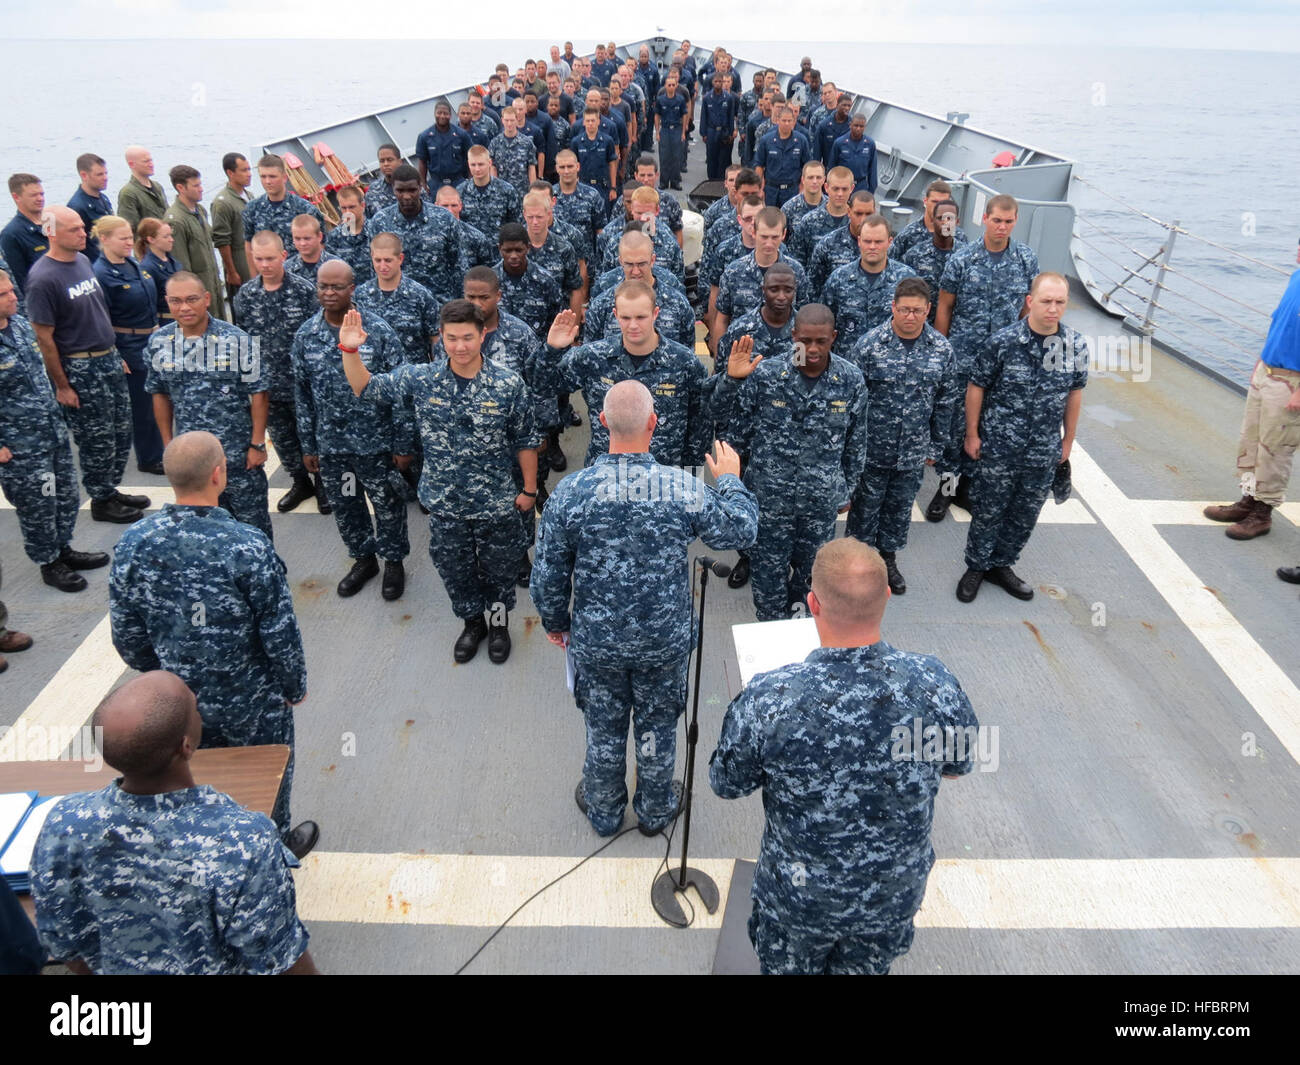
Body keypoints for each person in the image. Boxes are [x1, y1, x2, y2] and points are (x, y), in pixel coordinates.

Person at [710, 537, 977, 975]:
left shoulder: (772, 697)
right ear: (887, 595)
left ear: (812, 603)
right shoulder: (936, 684)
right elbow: (958, 764)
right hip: (888, 898)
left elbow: (726, 782)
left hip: (799, 901)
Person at [532, 380, 759, 836]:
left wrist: (558, 623)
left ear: (601, 422)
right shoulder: (680, 487)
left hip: (599, 642)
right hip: (664, 640)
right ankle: (656, 811)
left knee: (603, 726)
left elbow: (549, 573)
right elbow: (741, 531)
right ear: (655, 422)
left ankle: (604, 808)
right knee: (657, 725)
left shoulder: (572, 492)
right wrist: (731, 480)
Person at [108, 432, 317, 855]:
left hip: (176, 704)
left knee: (189, 777)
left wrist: (165, 675)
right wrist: (293, 686)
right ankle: (270, 849)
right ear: (219, 475)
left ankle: (203, 848)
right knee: (265, 777)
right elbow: (278, 632)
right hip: (251, 700)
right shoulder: (247, 546)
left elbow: (127, 634)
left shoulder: (134, 544)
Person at [30, 670, 317, 975]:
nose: (198, 704)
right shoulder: (243, 841)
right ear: (186, 746)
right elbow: (280, 957)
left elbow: (60, 940)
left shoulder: (64, 823)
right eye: (194, 706)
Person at [339, 299, 537, 663]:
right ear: (440, 339)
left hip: (495, 502)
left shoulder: (508, 384)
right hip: (445, 503)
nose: (459, 346)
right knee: (454, 569)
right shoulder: (422, 379)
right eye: (451, 338)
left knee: (499, 571)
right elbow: (366, 388)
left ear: (482, 336)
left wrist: (529, 489)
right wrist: (350, 349)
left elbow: (525, 440)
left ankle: (497, 625)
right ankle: (472, 623)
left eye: (467, 337)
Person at [713, 304, 867, 621]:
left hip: (819, 505)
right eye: (805, 340)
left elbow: (856, 443)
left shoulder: (850, 380)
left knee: (810, 585)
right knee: (768, 588)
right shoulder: (767, 376)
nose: (812, 349)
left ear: (833, 338)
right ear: (793, 335)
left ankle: (799, 645)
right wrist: (735, 491)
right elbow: (735, 435)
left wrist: (845, 490)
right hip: (769, 504)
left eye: (821, 341)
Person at [958, 272, 1087, 603]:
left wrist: (1068, 440)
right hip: (1000, 445)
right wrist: (972, 434)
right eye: (1046, 301)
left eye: (1059, 302)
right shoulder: (1003, 342)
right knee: (988, 508)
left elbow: (1075, 393)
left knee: (1024, 513)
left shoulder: (1075, 346)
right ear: (1030, 301)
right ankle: (976, 566)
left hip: (1042, 449)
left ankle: (1002, 564)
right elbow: (977, 387)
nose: (1053, 309)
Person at [293, 259, 413, 600]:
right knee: (347, 504)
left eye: (336, 287)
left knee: (387, 504)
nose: (329, 293)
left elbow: (401, 390)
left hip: (377, 444)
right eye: (323, 287)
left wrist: (403, 443)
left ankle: (392, 561)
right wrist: (308, 445)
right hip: (334, 447)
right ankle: (363, 559)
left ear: (352, 289)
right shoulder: (306, 336)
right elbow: (302, 394)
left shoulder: (377, 331)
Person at [24, 205, 145, 524]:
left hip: (106, 357)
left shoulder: (80, 261)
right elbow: (44, 338)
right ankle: (101, 499)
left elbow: (98, 311)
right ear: (51, 233)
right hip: (80, 368)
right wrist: (62, 386)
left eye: (81, 227)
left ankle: (109, 488)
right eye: (74, 230)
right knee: (96, 438)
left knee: (120, 430)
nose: (82, 233)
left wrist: (114, 353)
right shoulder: (42, 279)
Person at [929, 193, 1039, 523]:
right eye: (996, 220)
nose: (1002, 227)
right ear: (985, 219)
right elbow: (945, 307)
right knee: (956, 426)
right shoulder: (962, 260)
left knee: (990, 425)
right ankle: (947, 489)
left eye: (1008, 221)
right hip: (964, 354)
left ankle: (970, 487)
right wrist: (942, 350)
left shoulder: (1025, 259)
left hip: (1004, 359)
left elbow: (1026, 306)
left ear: (1015, 222)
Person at [0, 269, 109, 593]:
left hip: (51, 431)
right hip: (20, 445)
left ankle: (63, 548)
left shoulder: (19, 326)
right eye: (4, 294)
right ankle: (49, 562)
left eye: (10, 289)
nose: (13, 297)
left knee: (65, 495)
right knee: (38, 506)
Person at [846, 278, 957, 594]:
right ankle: (857, 566)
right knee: (864, 511)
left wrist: (936, 445)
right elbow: (853, 402)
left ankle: (887, 561)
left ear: (928, 311)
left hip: (912, 452)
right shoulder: (869, 346)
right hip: (871, 451)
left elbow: (946, 402)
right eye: (905, 310)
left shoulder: (941, 350)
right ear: (893, 307)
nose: (910, 316)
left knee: (897, 511)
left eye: (917, 311)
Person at [145, 271, 272, 539]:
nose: (185, 307)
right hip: (193, 459)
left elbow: (259, 392)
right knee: (205, 531)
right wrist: (169, 445)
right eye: (176, 301)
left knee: (252, 527)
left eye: (191, 299)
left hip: (237, 455)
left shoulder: (237, 339)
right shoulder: (160, 343)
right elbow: (159, 394)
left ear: (206, 299)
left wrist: (257, 443)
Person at [542, 282, 710, 468]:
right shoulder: (594, 356)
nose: (633, 325)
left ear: (655, 314)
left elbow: (700, 422)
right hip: (606, 474)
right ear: (615, 315)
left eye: (641, 317)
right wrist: (551, 350)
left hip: (663, 477)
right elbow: (545, 386)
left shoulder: (684, 362)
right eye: (625, 317)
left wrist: (691, 475)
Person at [1206, 241, 1300, 547]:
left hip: (1291, 381)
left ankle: (1262, 513)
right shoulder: (1296, 277)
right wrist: (1261, 361)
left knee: (1276, 449)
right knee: (1252, 438)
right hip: (1268, 372)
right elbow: (1278, 323)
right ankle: (1248, 498)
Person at [233, 230, 326, 515]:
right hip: (268, 384)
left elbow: (318, 335)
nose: (265, 265)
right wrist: (248, 382)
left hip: (302, 381)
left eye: (270, 258)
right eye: (259, 259)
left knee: (313, 436)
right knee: (283, 439)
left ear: (283, 256)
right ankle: (300, 482)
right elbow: (243, 340)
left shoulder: (304, 291)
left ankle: (323, 483)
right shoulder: (246, 296)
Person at [90, 215, 165, 476]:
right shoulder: (100, 273)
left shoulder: (131, 263)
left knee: (158, 395)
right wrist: (116, 352)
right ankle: (149, 456)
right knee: (143, 405)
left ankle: (160, 447)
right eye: (122, 239)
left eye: (130, 238)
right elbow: (101, 317)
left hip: (149, 338)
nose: (128, 243)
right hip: (128, 343)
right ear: (105, 239)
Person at [364, 164, 462, 307]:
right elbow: (374, 268)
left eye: (412, 190)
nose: (407, 196)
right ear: (393, 189)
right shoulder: (379, 222)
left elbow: (458, 265)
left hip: (441, 303)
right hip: (398, 307)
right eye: (400, 191)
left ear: (420, 187)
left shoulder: (444, 219)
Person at [821, 214, 919, 352]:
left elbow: (916, 325)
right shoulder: (838, 279)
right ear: (859, 241)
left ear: (890, 242)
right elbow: (825, 324)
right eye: (867, 241)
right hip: (848, 364)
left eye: (878, 242)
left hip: (889, 365)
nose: (872, 247)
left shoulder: (907, 280)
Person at [714, 207, 813, 341]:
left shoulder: (795, 271)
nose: (769, 243)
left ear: (783, 234)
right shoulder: (734, 272)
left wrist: (801, 360)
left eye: (774, 237)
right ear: (754, 232)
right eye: (764, 237)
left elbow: (803, 320)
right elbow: (722, 319)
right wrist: (721, 360)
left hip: (787, 355)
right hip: (745, 353)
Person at [584, 232, 696, 349]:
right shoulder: (602, 305)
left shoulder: (678, 303)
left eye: (642, 264)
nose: (636, 271)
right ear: (621, 261)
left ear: (652, 260)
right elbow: (590, 353)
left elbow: (687, 357)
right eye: (629, 264)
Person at [355, 232, 440, 364]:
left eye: (388, 260)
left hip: (411, 375)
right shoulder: (360, 296)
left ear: (400, 258)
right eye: (378, 260)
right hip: (373, 377)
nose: (382, 266)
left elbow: (435, 339)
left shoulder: (420, 296)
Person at [163, 165, 225, 319]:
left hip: (213, 284)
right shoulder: (176, 221)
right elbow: (181, 267)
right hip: (197, 292)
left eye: (200, 184)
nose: (201, 189)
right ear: (180, 187)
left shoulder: (199, 211)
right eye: (196, 185)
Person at [241, 154, 324, 266]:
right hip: (268, 273)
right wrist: (255, 279)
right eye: (263, 177)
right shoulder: (252, 209)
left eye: (272, 176)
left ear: (284, 177)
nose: (267, 181)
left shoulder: (305, 210)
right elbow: (249, 245)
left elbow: (321, 245)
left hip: (300, 274)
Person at [495, 223, 564, 341]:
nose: (513, 256)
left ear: (528, 248)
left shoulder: (545, 280)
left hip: (537, 352)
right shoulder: (491, 281)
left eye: (518, 250)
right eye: (508, 250)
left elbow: (556, 320)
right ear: (499, 249)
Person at [900, 199, 963, 321]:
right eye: (940, 218)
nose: (945, 223)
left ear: (957, 222)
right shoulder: (914, 255)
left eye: (950, 218)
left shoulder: (966, 257)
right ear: (933, 220)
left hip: (956, 329)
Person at [808, 188, 877, 295]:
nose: (863, 220)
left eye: (868, 214)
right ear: (849, 212)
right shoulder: (828, 244)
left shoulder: (884, 246)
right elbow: (814, 288)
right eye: (858, 214)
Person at [789, 165, 855, 266]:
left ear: (852, 188)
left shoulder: (857, 222)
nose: (840, 194)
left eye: (844, 189)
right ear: (826, 187)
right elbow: (797, 261)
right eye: (836, 189)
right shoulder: (809, 221)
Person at [211, 152, 253, 307]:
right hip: (239, 260)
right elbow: (222, 240)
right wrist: (231, 271)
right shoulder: (223, 203)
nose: (249, 174)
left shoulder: (248, 196)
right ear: (230, 173)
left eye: (249, 169)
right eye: (244, 170)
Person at [890, 179, 967, 260]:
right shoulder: (909, 234)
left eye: (943, 202)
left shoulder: (959, 236)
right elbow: (891, 263)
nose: (938, 206)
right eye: (934, 201)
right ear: (925, 201)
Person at [458, 145, 523, 238]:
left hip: (498, 248)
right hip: (471, 249)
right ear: (468, 164)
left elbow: (516, 224)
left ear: (489, 163)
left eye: (481, 164)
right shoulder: (461, 191)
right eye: (473, 165)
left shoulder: (506, 191)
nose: (477, 169)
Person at [754, 106, 813, 208]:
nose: (787, 123)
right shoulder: (766, 140)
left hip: (792, 191)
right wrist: (759, 189)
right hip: (771, 191)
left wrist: (803, 188)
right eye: (784, 120)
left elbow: (807, 166)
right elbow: (759, 165)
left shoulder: (801, 140)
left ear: (794, 121)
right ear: (777, 120)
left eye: (789, 120)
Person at [1, 174, 47, 300]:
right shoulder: (11, 234)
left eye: (41, 194)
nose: (40, 199)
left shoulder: (51, 221)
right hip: (41, 300)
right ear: (16, 197)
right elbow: (19, 280)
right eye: (33, 195)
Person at [571, 108, 620, 216]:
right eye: (587, 121)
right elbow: (573, 166)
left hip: (602, 187)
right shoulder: (576, 142)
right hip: (583, 185)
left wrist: (613, 187)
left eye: (593, 120)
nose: (590, 123)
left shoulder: (607, 141)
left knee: (603, 217)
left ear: (598, 121)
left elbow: (612, 164)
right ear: (583, 122)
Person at [324, 184, 375, 284]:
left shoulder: (376, 231)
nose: (348, 212)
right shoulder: (334, 238)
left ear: (362, 206)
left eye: (352, 207)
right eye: (344, 208)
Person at [68, 154, 113, 263]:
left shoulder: (103, 198)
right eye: (99, 174)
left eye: (106, 173)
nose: (105, 178)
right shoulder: (77, 207)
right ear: (84, 175)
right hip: (94, 263)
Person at [416, 100, 472, 189]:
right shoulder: (424, 136)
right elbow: (422, 162)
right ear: (434, 114)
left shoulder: (462, 135)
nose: (442, 116)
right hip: (436, 183)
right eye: (439, 113)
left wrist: (470, 181)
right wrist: (423, 184)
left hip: (458, 182)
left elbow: (471, 158)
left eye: (445, 113)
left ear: (450, 115)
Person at [137, 218, 183, 323]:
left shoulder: (172, 261)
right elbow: (150, 302)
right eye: (166, 236)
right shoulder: (147, 267)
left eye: (171, 235)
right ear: (151, 239)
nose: (171, 239)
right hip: (166, 320)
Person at [116, 146, 168, 233]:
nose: (151, 164)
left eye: (151, 160)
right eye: (146, 161)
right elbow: (130, 227)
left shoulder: (157, 187)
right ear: (132, 164)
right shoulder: (128, 193)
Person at [488, 107, 538, 196]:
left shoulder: (527, 143)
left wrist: (533, 191)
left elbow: (531, 167)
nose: (509, 123)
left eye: (512, 120)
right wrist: (494, 189)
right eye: (506, 120)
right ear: (502, 120)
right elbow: (493, 167)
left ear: (517, 119)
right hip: (502, 193)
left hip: (522, 192)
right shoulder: (495, 143)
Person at [700, 72, 740, 181]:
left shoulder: (728, 98)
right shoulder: (707, 98)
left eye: (720, 82)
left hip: (724, 132)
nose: (718, 84)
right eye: (716, 81)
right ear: (712, 82)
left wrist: (731, 133)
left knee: (723, 160)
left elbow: (731, 116)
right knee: (711, 158)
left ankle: (720, 183)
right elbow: (704, 116)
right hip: (711, 131)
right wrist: (703, 133)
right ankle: (711, 181)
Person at [655, 71, 690, 190]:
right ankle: (663, 182)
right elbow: (657, 115)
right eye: (668, 85)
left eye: (673, 85)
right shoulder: (660, 99)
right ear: (665, 86)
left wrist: (683, 132)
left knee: (676, 157)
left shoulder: (680, 100)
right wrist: (657, 132)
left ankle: (675, 181)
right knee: (664, 157)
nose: (671, 87)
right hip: (664, 129)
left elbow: (684, 115)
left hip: (676, 129)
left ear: (676, 86)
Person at [829, 114, 878, 194]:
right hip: (843, 185)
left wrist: (871, 191)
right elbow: (832, 167)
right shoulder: (839, 143)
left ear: (865, 127)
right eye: (856, 125)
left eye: (861, 126)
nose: (858, 129)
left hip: (861, 186)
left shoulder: (870, 144)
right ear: (850, 125)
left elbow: (872, 170)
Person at [284, 213, 340, 284]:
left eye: (307, 238)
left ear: (319, 237)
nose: (302, 243)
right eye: (297, 239)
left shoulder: (338, 267)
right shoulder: (286, 269)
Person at [364, 143, 405, 219]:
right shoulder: (373, 190)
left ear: (400, 162)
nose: (385, 164)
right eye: (382, 161)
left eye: (390, 160)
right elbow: (369, 220)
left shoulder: (412, 185)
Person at [781, 161, 826, 229]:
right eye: (810, 177)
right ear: (803, 179)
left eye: (818, 177)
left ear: (824, 180)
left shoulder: (831, 206)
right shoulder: (788, 208)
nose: (814, 181)